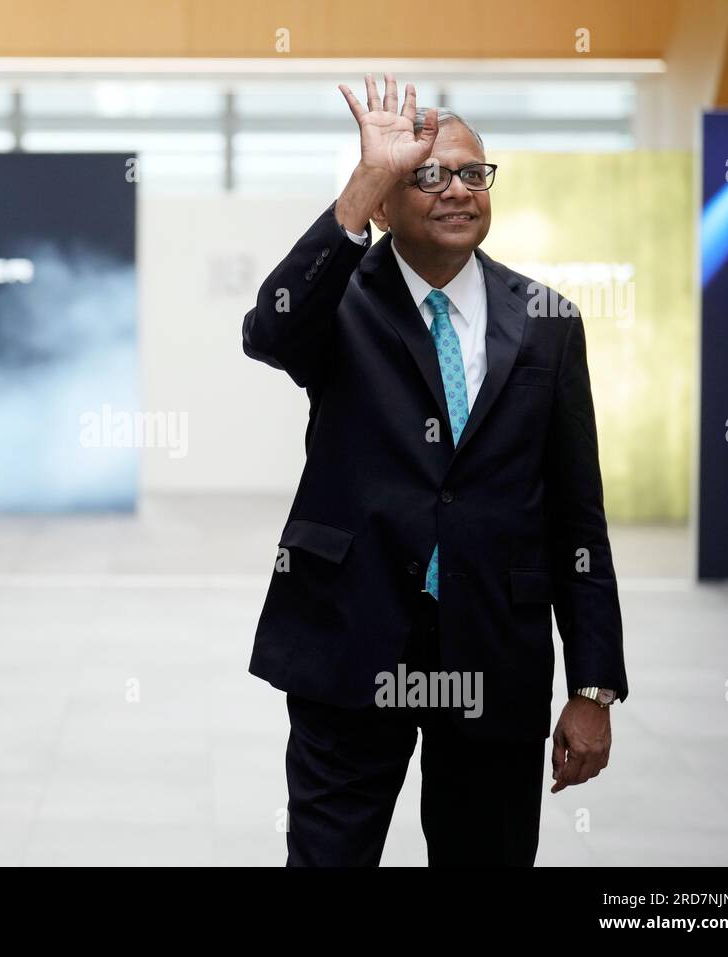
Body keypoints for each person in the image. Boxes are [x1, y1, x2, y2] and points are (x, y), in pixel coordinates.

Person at [243, 75, 628, 866]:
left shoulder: (548, 322)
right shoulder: (342, 300)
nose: (456, 190)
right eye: (425, 175)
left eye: (471, 174)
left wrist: (593, 686)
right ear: (386, 202)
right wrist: (362, 181)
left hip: (495, 649)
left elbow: (576, 516)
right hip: (351, 642)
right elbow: (270, 330)